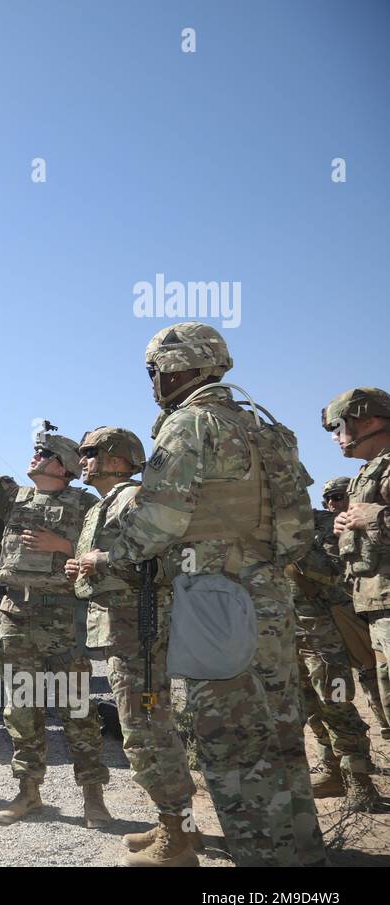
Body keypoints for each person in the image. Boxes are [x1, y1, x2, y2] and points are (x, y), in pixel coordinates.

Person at [78, 322, 324, 867]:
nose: (152, 382)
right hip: (268, 597)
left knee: (234, 748)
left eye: (154, 371)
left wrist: (105, 556)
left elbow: (157, 521)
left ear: (178, 367)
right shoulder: (265, 426)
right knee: (281, 741)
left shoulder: (189, 422)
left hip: (215, 601)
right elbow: (300, 530)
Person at [0, 379, 111, 826]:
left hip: (62, 616)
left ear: (64, 467)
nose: (34, 457)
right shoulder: (15, 498)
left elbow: (111, 554)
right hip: (16, 614)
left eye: (44, 453)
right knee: (20, 707)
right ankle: (28, 792)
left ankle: (93, 796)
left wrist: (63, 545)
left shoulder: (85, 504)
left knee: (76, 707)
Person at [66, 427, 198, 866]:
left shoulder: (133, 497)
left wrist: (99, 561)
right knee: (144, 726)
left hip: (137, 628)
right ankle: (172, 823)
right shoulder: (104, 506)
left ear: (117, 459)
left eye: (90, 453)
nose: (82, 460)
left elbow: (164, 559)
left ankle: (178, 841)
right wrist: (85, 569)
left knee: (146, 731)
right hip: (118, 626)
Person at [285, 482, 378, 809]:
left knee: (336, 701)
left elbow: (334, 571)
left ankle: (359, 781)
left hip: (325, 631)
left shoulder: (325, 524)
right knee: (309, 706)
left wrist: (294, 545)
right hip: (286, 632)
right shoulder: (263, 533)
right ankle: (331, 771)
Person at [325, 387, 390, 763]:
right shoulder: (369, 472)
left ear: (369, 420)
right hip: (375, 604)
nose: (337, 436)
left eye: (341, 425)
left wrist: (372, 517)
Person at [322, 476, 390, 738]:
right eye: (327, 499)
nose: (332, 503)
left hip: (372, 605)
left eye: (338, 497)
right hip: (350, 613)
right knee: (371, 675)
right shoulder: (324, 527)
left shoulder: (370, 517)